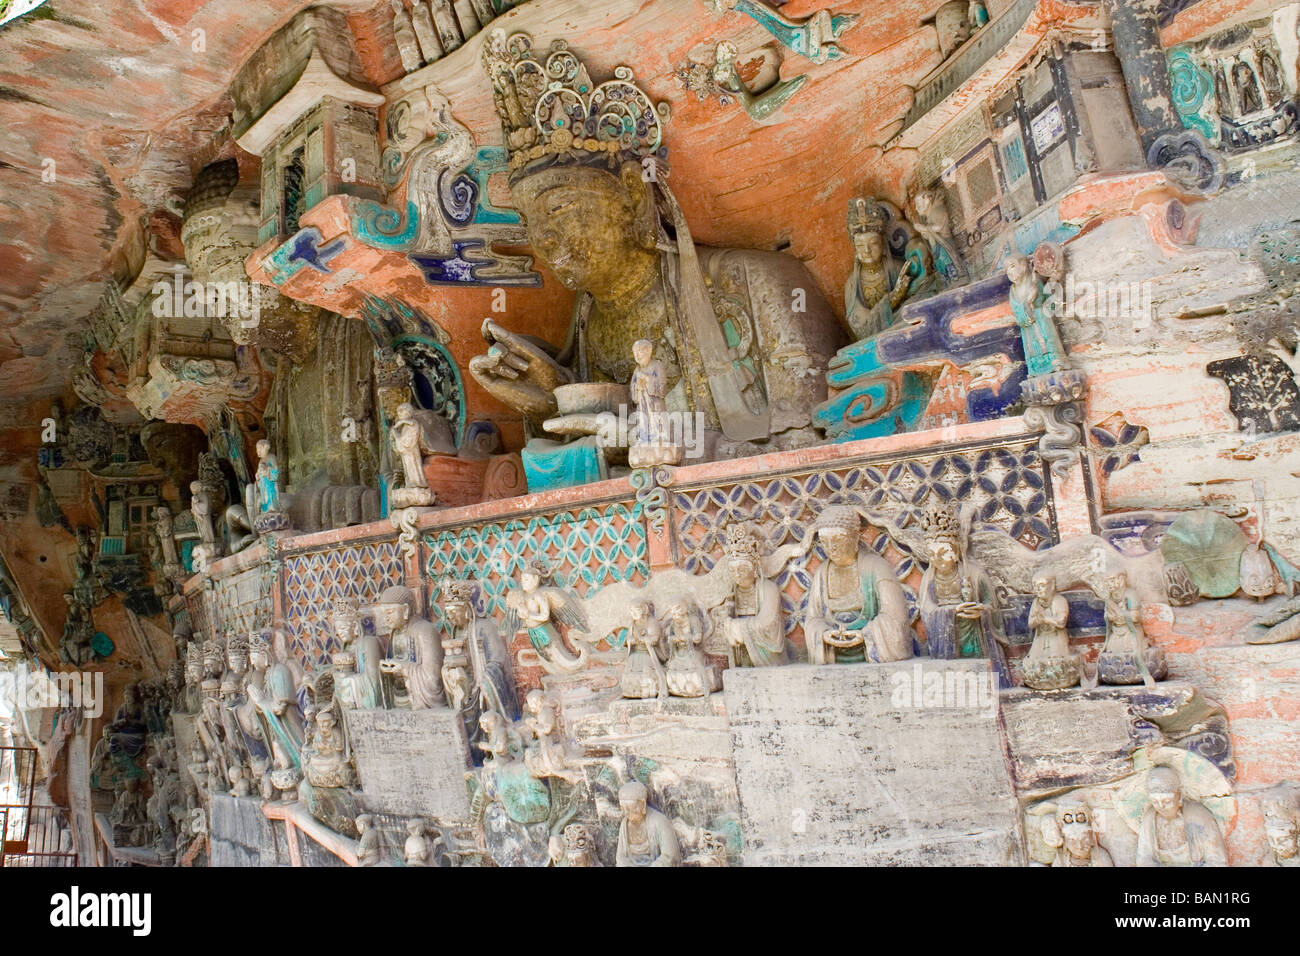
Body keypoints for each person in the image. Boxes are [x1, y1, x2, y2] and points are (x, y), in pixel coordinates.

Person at [615, 780, 680, 867]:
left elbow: (670, 855)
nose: (626, 812)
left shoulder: (659, 821)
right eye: (623, 808)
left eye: (630, 808)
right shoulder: (624, 824)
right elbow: (620, 857)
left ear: (642, 804)